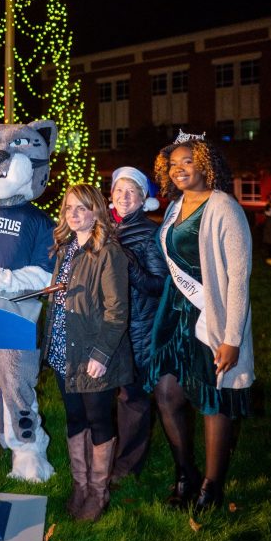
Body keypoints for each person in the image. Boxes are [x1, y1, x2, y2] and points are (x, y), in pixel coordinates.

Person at [145, 130, 254, 513]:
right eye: (173, 164)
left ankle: (212, 485)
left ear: (205, 163)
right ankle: (184, 472)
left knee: (212, 397)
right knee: (166, 392)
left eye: (187, 161)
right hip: (173, 311)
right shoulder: (175, 206)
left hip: (211, 314)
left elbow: (239, 277)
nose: (179, 169)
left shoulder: (224, 207)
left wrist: (232, 337)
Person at [42, 184, 132, 521]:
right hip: (66, 350)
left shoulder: (109, 252)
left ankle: (98, 492)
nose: (74, 214)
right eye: (69, 208)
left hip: (94, 353)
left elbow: (117, 310)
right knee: (74, 418)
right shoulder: (66, 250)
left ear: (96, 211)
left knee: (98, 420)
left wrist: (101, 354)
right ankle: (79, 486)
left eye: (82, 207)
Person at [108, 166, 167, 484]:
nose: (124, 197)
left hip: (139, 327)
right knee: (116, 393)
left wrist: (131, 269)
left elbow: (160, 285)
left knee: (133, 396)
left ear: (144, 199)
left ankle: (126, 466)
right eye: (119, 191)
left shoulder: (148, 233)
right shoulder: (109, 230)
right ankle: (109, 454)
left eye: (132, 192)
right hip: (114, 325)